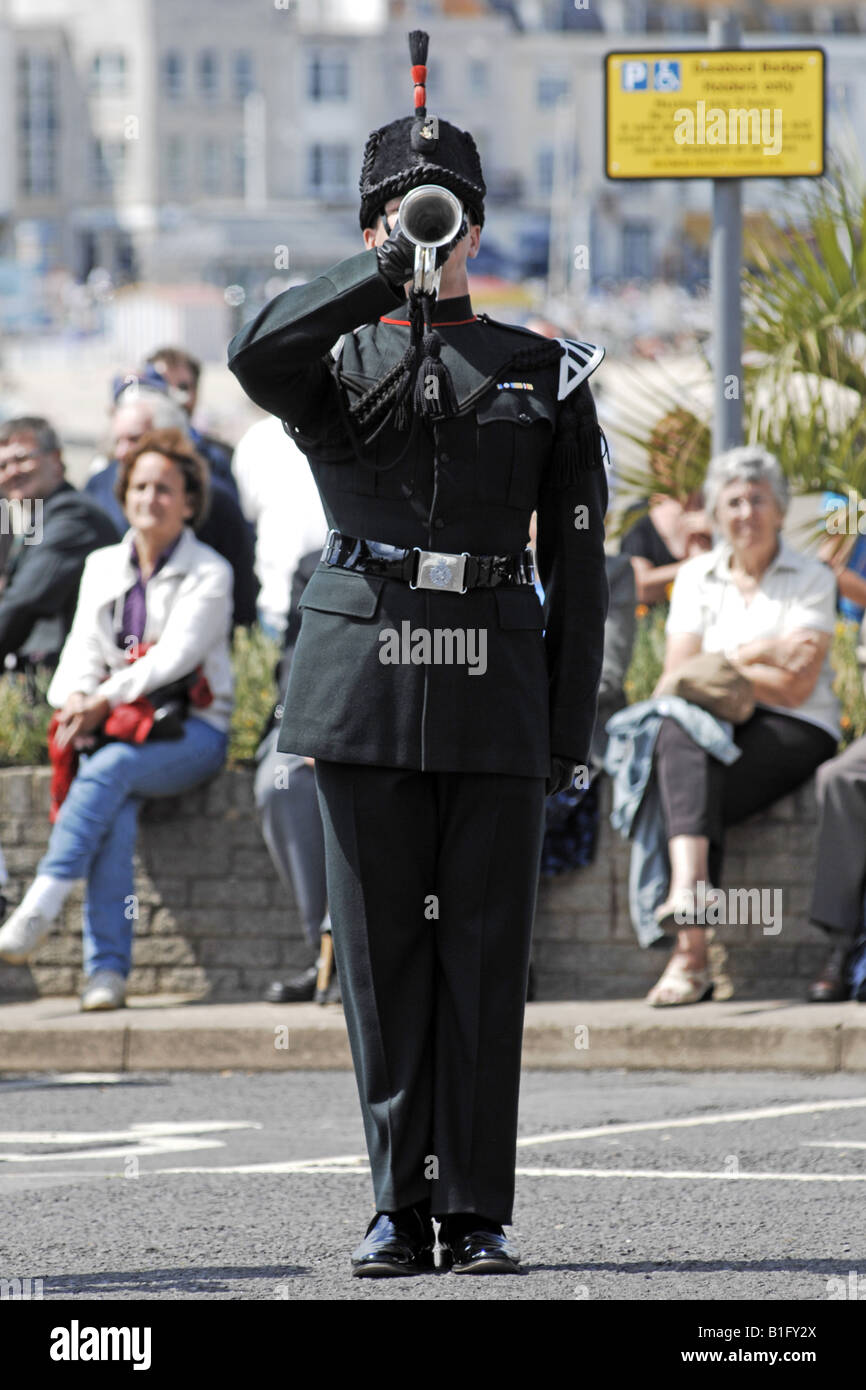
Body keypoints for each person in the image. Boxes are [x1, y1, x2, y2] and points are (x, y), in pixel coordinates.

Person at [227, 31, 608, 1276]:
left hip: (493, 675)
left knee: (484, 954)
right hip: (366, 682)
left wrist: (566, 734)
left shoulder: (542, 372)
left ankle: (478, 1210)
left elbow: (581, 563)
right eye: (402, 209)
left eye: (443, 212)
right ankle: (399, 1205)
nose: (429, 225)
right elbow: (252, 348)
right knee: (383, 959)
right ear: (375, 221)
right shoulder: (333, 361)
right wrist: (377, 269)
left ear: (479, 227)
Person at [0, 429, 233, 1010]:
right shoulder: (103, 564)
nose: (150, 498)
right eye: (140, 486)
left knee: (108, 771)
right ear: (124, 494)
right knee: (115, 808)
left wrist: (102, 699)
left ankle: (40, 906)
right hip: (118, 735)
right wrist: (76, 699)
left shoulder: (210, 572)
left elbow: (175, 657)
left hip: (194, 732)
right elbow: (80, 646)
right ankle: (106, 975)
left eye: (165, 489)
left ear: (187, 502)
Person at [644, 445, 839, 1006]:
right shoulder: (698, 576)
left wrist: (730, 661)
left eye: (758, 499)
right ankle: (690, 897)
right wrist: (766, 656)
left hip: (795, 725)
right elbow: (680, 676)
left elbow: (798, 688)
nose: (745, 512)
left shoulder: (810, 577)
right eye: (732, 501)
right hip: (711, 727)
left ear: (779, 508)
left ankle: (690, 956)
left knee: (694, 778)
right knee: (682, 737)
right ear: (714, 512)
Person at [85, 386, 258, 629]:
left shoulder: (215, 502)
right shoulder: (98, 486)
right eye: (117, 441)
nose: (122, 453)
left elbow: (241, 601)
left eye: (134, 439)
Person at [255, 547, 336, 1004]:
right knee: (279, 784)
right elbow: (297, 657)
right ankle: (328, 952)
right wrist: (313, 728)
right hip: (321, 716)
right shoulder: (313, 564)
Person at [0, 417, 119, 672]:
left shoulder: (73, 515)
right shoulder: (42, 516)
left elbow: (23, 602)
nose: (11, 471)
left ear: (55, 459)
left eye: (21, 459)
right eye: (2, 465)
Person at [232, 414, 328, 640]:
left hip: (338, 612)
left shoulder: (352, 426)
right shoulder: (257, 439)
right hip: (275, 609)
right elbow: (249, 514)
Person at [620, 409, 712, 605]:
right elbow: (638, 587)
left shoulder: (719, 508)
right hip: (654, 631)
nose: (672, 459)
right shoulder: (639, 515)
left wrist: (720, 531)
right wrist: (696, 566)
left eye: (683, 451)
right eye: (665, 450)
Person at [145, 345, 240, 502]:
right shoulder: (123, 453)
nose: (173, 395)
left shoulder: (221, 458)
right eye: (162, 384)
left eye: (183, 387)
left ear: (196, 393)